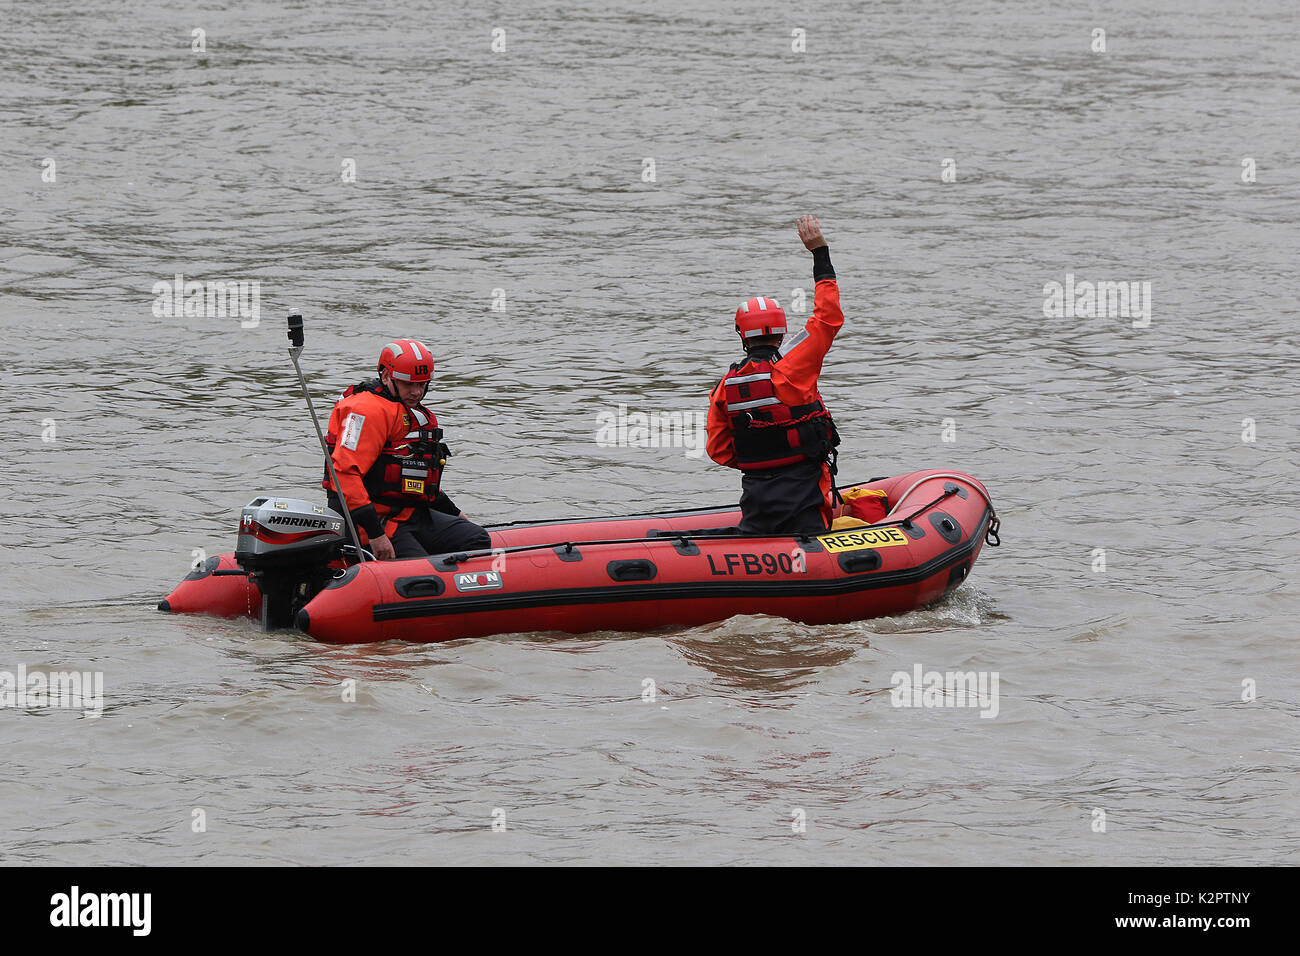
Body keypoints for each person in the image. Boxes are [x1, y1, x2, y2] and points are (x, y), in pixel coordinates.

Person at [706, 216, 843, 535]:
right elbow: (828, 317)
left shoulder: (725, 389)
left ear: (743, 336)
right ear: (781, 334)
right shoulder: (798, 363)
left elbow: (719, 450)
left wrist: (763, 457)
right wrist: (820, 253)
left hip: (758, 505)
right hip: (807, 502)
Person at [322, 339, 490, 559]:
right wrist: (376, 534)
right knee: (420, 569)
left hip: (407, 513)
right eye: (408, 384)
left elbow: (413, 476)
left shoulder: (409, 414)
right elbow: (344, 474)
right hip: (372, 522)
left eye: (422, 384)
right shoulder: (366, 412)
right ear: (386, 377)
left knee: (477, 538)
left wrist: (456, 513)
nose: (416, 392)